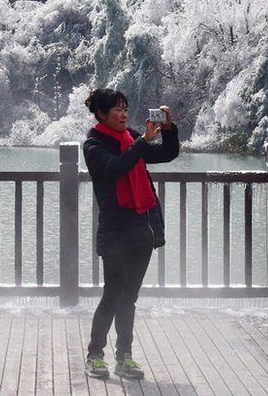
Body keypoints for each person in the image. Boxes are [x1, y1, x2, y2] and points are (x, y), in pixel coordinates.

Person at [81, 87, 179, 380]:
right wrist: (142, 141)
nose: (123, 114)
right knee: (112, 295)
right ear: (102, 114)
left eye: (125, 109)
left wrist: (168, 129)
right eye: (117, 109)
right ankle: (95, 355)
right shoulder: (93, 145)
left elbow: (167, 154)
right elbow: (118, 167)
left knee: (129, 298)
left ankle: (124, 357)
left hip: (142, 229)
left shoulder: (131, 137)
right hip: (116, 233)